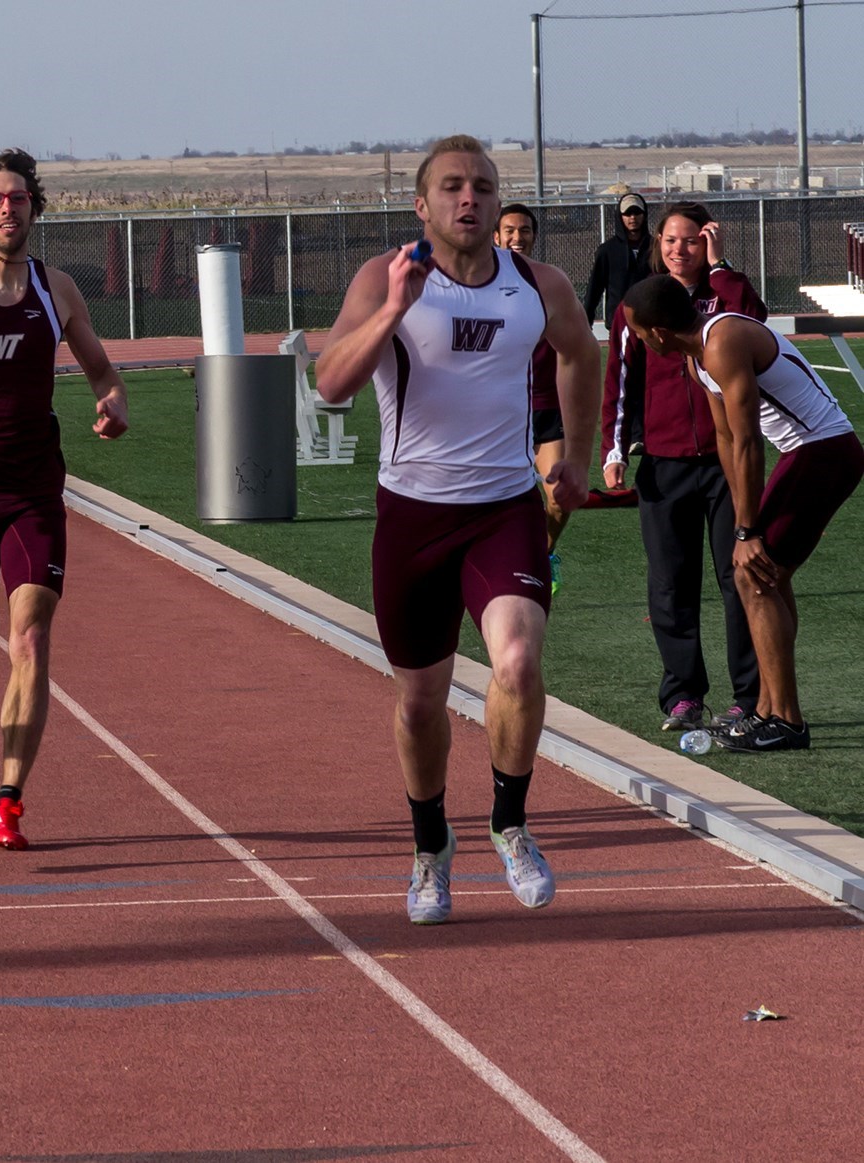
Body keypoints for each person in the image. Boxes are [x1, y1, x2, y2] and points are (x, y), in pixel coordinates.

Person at [315, 135, 600, 925]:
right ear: (423, 204)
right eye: (451, 187)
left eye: (481, 185)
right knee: (419, 705)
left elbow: (582, 353)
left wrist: (576, 456)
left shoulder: (537, 284)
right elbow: (329, 384)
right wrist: (395, 312)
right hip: (411, 515)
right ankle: (430, 844)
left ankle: (510, 822)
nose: (468, 198)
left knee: (517, 662)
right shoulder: (386, 277)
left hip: (504, 510)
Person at [0, 147, 129, 851]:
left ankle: (7, 800)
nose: (9, 210)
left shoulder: (57, 288)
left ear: (34, 206)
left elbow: (102, 370)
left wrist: (112, 401)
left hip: (33, 488)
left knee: (33, 636)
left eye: (19, 198)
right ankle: (3, 782)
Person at [622, 275, 864, 751]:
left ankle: (786, 720)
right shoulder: (698, 360)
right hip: (807, 453)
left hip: (823, 451)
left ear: (658, 333)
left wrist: (748, 529)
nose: (640, 341)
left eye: (638, 332)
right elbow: (726, 442)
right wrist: (741, 523)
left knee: (753, 576)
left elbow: (750, 440)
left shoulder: (723, 341)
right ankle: (767, 711)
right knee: (764, 574)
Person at [602, 201, 764, 735]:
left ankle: (749, 697)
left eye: (692, 240)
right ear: (658, 245)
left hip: (726, 465)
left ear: (708, 242)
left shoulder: (724, 297)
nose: (679, 249)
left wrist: (721, 268)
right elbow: (618, 385)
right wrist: (615, 450)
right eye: (670, 240)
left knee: (738, 577)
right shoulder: (641, 305)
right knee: (670, 584)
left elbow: (753, 320)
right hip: (664, 466)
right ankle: (683, 695)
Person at [495, 202, 576, 595]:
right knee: (501, 501)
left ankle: (545, 554)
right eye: (509, 230)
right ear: (496, 236)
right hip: (503, 411)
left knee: (559, 498)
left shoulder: (550, 284)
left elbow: (576, 350)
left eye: (524, 230)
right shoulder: (482, 284)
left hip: (547, 409)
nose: (517, 237)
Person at [583, 191, 652, 327]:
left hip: (650, 322)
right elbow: (594, 289)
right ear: (620, 217)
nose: (633, 217)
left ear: (644, 215)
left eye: (637, 212)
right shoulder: (607, 250)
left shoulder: (656, 248)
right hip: (619, 324)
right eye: (627, 213)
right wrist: (586, 323)